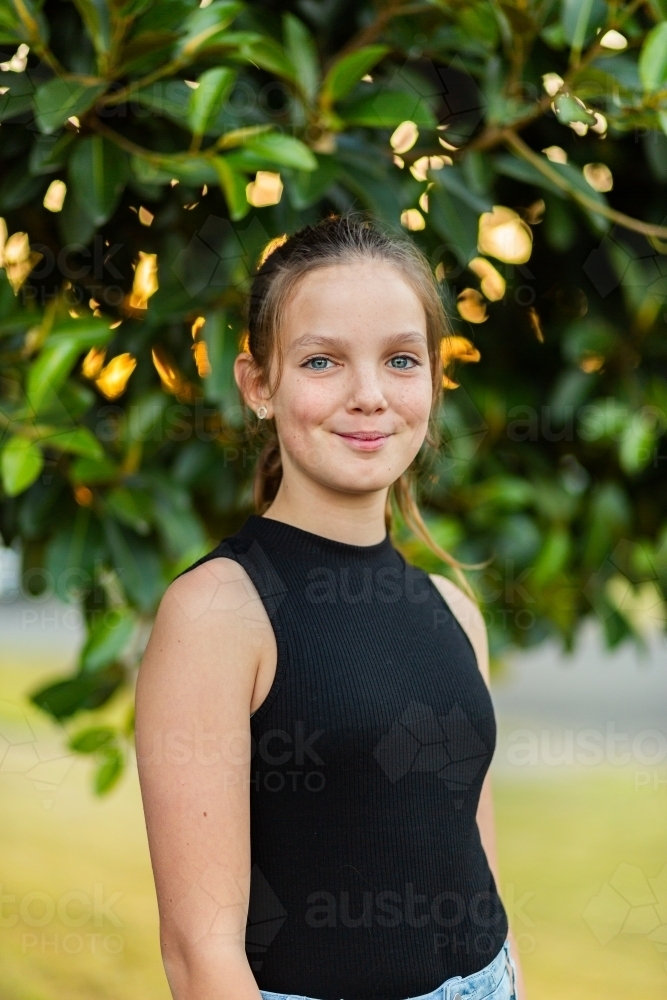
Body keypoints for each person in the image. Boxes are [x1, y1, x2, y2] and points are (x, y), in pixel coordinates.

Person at [135, 213, 526, 1000]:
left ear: (432, 379)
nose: (369, 396)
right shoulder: (218, 612)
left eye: (400, 360)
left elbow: (474, 862)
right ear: (257, 385)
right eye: (321, 361)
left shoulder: (453, 608)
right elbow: (199, 953)